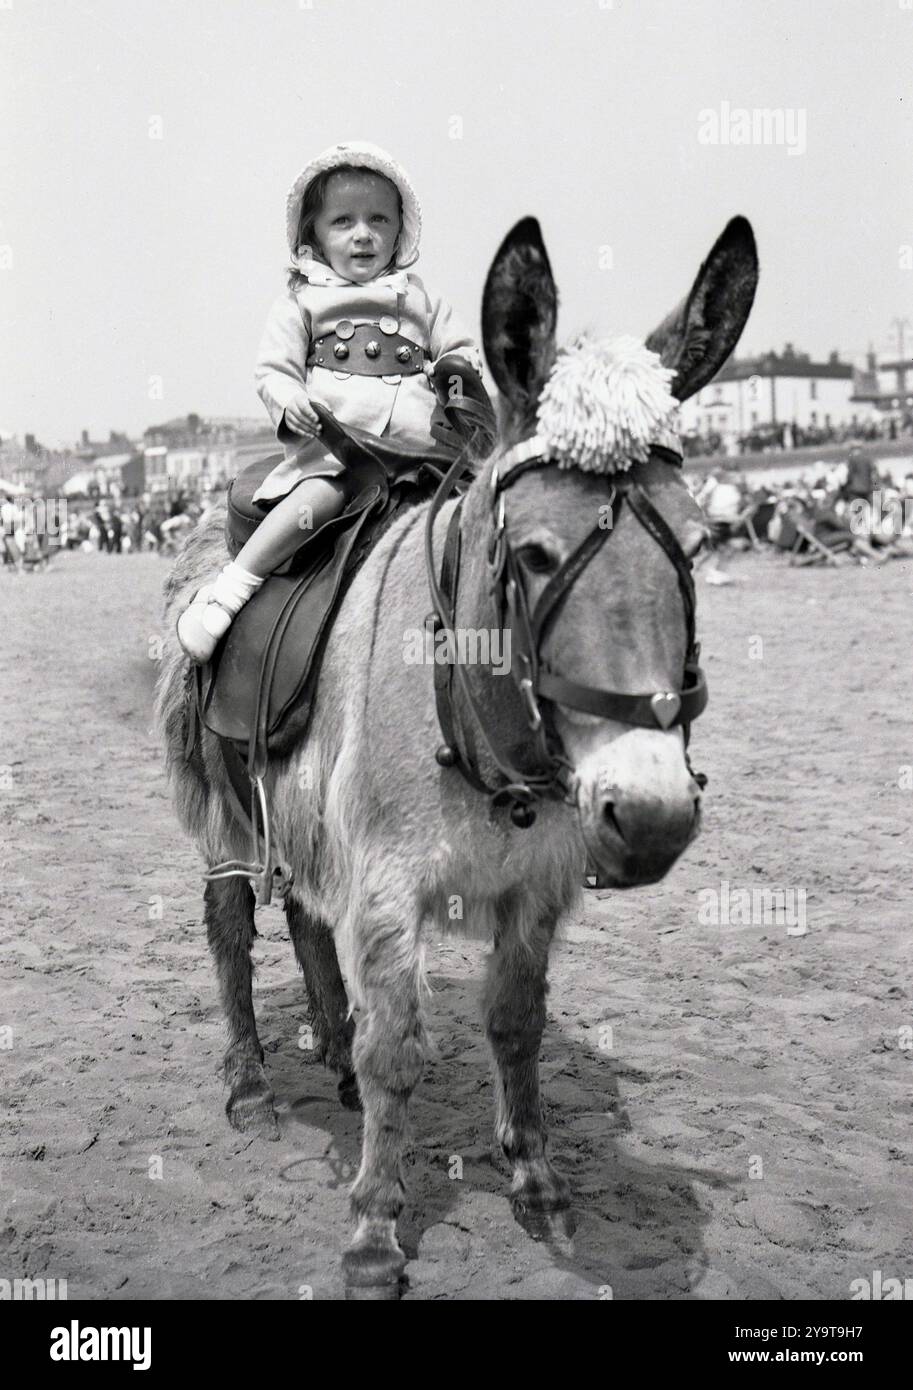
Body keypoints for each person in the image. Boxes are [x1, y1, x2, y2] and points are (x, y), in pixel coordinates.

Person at [177, 140, 484, 662]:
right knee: (316, 500)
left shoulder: (422, 299)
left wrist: (455, 379)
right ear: (313, 235)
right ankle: (233, 587)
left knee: (473, 512)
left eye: (379, 220)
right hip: (338, 451)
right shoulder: (303, 300)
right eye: (343, 221)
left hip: (420, 453)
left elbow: (459, 350)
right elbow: (274, 369)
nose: (363, 234)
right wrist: (290, 397)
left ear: (399, 230)